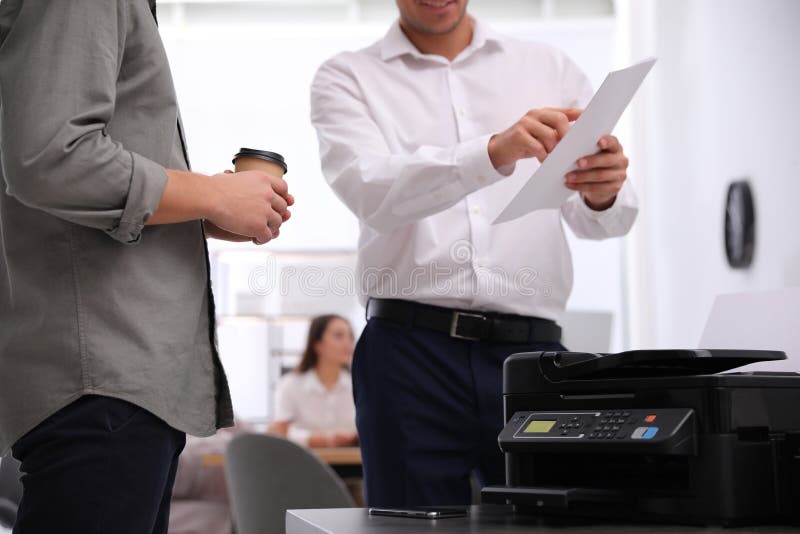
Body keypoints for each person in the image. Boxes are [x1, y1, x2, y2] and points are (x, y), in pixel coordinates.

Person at [310, 0, 637, 507]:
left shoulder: (549, 66)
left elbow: (606, 220)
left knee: (547, 519)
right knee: (408, 524)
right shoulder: (348, 77)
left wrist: (603, 191)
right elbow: (370, 191)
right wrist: (492, 152)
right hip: (409, 356)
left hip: (532, 359)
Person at [0, 1, 293, 532]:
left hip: (115, 380)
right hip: (106, 377)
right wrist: (212, 194)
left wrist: (206, 208)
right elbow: (50, 158)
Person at [269, 315, 358, 448]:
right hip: (303, 458)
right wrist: (319, 439)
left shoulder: (359, 386)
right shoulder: (290, 384)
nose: (348, 343)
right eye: (339, 336)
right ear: (317, 344)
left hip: (352, 458)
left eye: (350, 336)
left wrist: (354, 437)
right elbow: (278, 431)